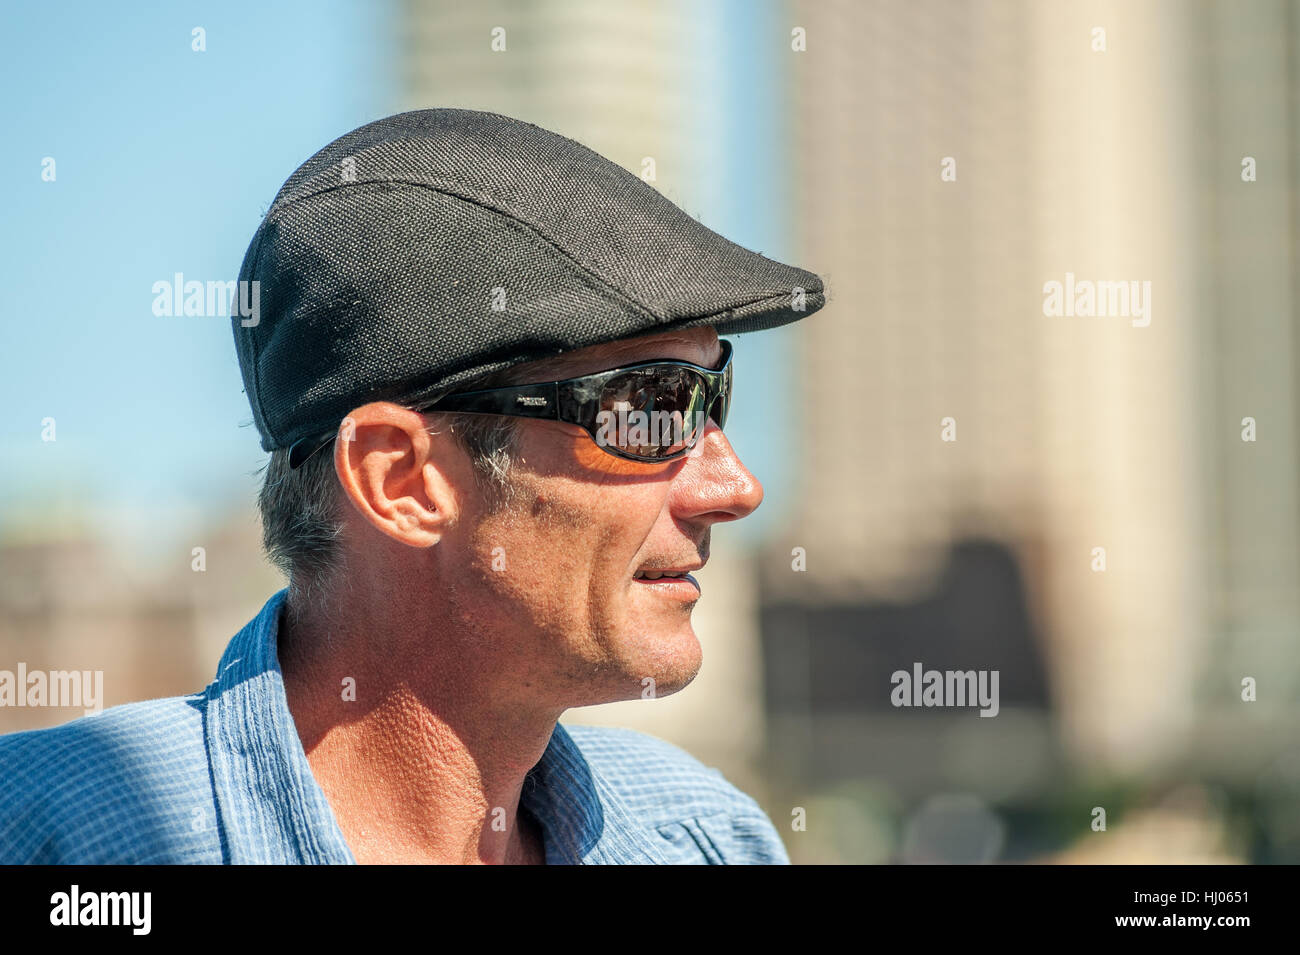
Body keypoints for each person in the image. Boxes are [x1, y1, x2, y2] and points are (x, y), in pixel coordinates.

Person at [0, 108, 825, 864]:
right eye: (651, 409)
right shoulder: (52, 839)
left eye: (715, 395)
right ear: (400, 478)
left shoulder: (708, 837)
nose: (736, 486)